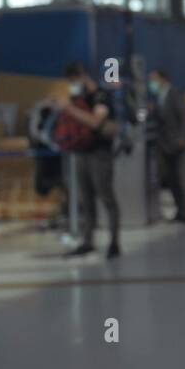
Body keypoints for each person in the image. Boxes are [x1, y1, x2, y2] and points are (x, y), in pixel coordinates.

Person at [59, 61, 121, 259]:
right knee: (85, 199)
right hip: (81, 152)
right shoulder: (77, 98)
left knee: (106, 196)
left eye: (74, 80)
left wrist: (70, 110)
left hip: (100, 153)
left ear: (83, 76)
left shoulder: (100, 95)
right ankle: (88, 241)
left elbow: (95, 122)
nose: (72, 84)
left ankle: (114, 241)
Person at [149, 69, 185, 224]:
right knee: (172, 180)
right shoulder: (158, 97)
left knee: (183, 179)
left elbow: (184, 117)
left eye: (153, 79)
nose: (151, 83)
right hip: (166, 145)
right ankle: (180, 210)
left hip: (179, 143)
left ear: (163, 79)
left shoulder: (175, 93)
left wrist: (183, 138)